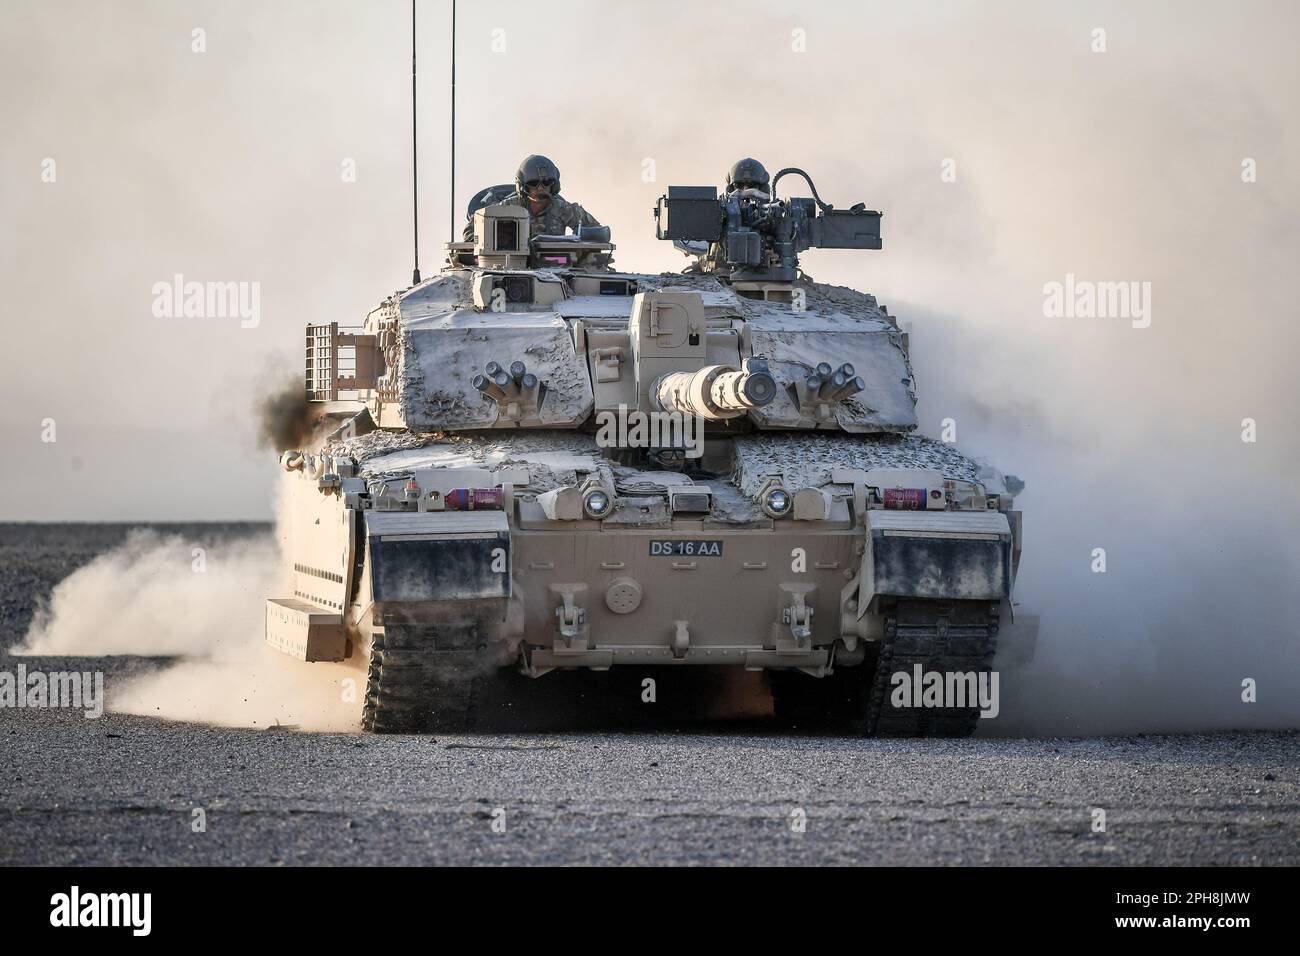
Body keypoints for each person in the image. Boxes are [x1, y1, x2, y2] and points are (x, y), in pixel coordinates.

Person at [463, 154, 602, 242]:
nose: (541, 188)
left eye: (547, 183)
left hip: (556, 269)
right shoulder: (507, 209)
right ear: (523, 186)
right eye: (534, 183)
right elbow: (470, 231)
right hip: (511, 268)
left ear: (554, 185)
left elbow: (597, 231)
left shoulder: (563, 209)